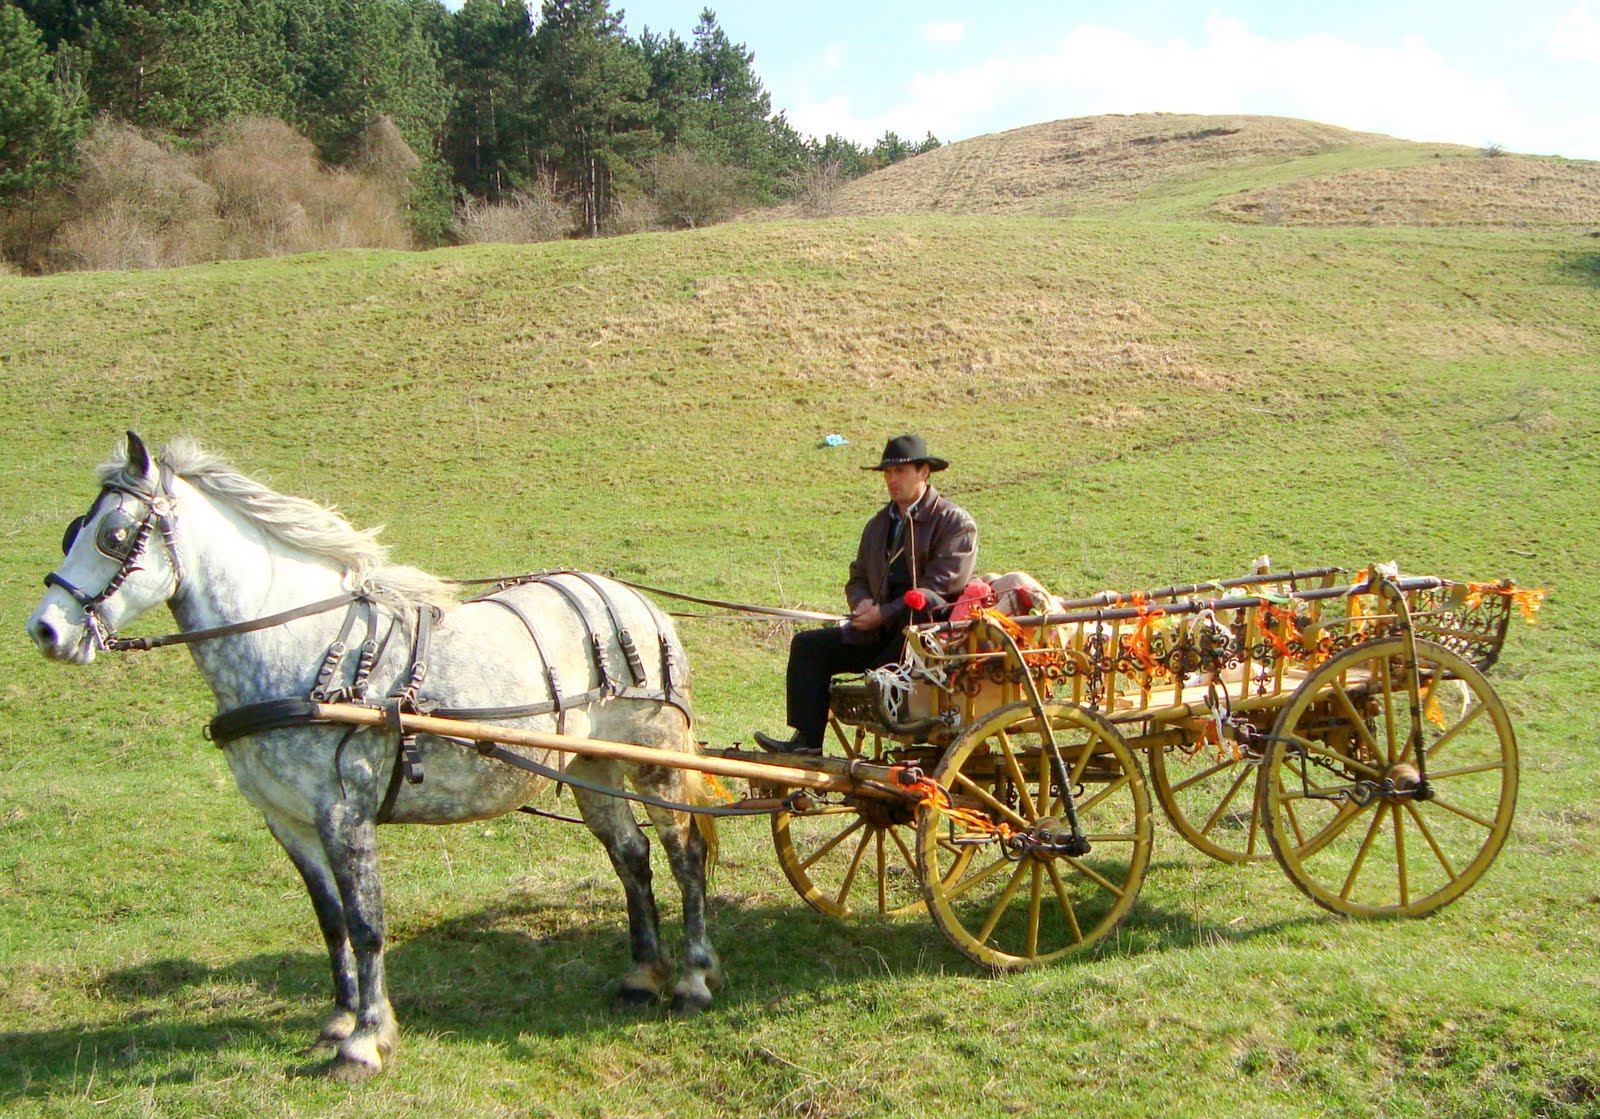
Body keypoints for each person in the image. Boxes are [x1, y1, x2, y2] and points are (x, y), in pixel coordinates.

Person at [754, 434, 978, 756]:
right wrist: (861, 604)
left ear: (924, 472)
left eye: (900, 472)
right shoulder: (877, 525)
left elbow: (942, 584)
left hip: (923, 642)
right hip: (875, 635)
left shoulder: (954, 522)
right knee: (808, 647)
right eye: (887, 473)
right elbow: (857, 577)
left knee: (908, 630)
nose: (891, 480)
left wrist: (884, 613)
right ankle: (807, 742)